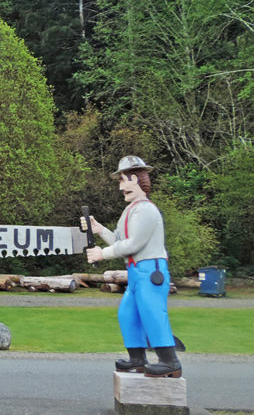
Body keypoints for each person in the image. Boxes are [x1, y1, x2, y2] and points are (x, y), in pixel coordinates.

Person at [82, 155, 181, 378]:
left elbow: (133, 244)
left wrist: (101, 254)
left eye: (122, 181)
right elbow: (119, 241)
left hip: (150, 271)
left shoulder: (146, 210)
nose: (120, 187)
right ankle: (137, 359)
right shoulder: (130, 211)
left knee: (153, 313)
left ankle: (170, 361)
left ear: (134, 179)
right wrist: (99, 230)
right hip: (136, 273)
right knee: (128, 314)